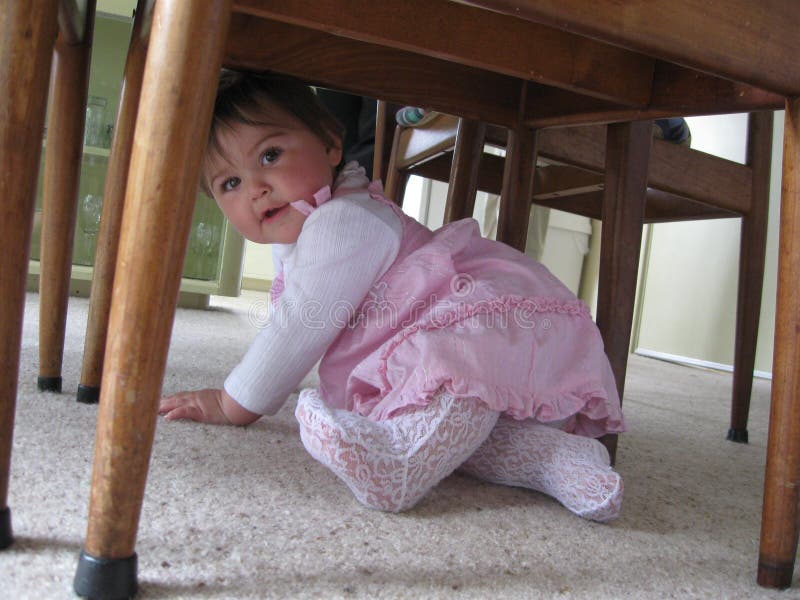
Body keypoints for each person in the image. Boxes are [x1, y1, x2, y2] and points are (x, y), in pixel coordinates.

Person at [159, 70, 626, 522]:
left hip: (481, 338)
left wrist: (232, 401)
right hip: (490, 395)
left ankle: (402, 463)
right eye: (230, 184)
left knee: (451, 378)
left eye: (270, 155)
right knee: (465, 440)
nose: (256, 188)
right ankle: (553, 460)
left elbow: (298, 326)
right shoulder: (301, 234)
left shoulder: (343, 221)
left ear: (330, 142)